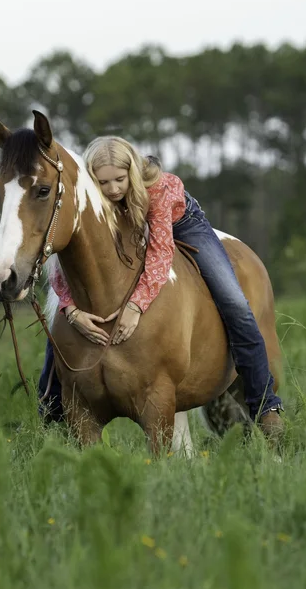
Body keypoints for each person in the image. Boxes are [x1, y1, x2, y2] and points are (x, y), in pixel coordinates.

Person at [37, 136, 283, 433]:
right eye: (103, 182)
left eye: (119, 179)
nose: (113, 189)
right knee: (60, 320)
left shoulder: (158, 189)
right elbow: (68, 259)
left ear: (132, 173)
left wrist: (135, 305)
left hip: (180, 224)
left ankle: (264, 403)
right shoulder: (91, 198)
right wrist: (70, 308)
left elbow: (160, 252)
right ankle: (51, 402)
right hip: (125, 225)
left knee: (235, 302)